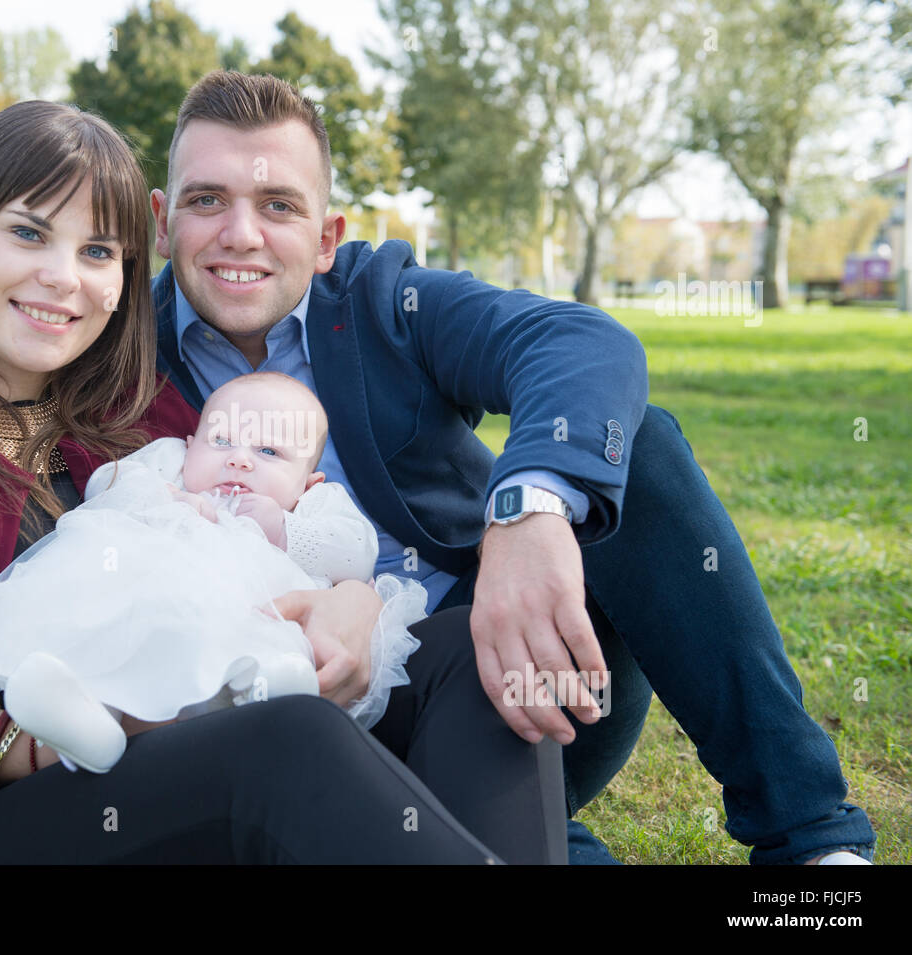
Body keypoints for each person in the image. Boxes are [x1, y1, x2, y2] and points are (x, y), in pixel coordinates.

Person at [0, 99, 547, 864]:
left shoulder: (129, 408)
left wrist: (353, 601)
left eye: (97, 252)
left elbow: (251, 532)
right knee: (285, 743)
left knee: (475, 651)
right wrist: (32, 746)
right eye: (27, 233)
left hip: (142, 770)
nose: (63, 278)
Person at [146, 70, 876, 865]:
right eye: (207, 199)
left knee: (644, 444)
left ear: (327, 236)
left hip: (502, 669)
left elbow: (581, 345)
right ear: (163, 219)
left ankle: (813, 845)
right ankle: (542, 834)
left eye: (278, 205)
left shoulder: (388, 302)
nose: (241, 234)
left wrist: (525, 511)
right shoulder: (116, 351)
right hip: (287, 732)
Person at [0, 371, 427, 774]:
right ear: (191, 444)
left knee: (271, 636)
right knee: (104, 630)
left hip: (255, 618)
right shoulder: (168, 464)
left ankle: (275, 687)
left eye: (270, 453)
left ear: (308, 481)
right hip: (154, 615)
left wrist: (284, 529)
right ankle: (87, 721)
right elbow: (103, 486)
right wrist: (171, 500)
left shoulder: (312, 504)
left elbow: (356, 552)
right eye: (222, 440)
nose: (239, 458)